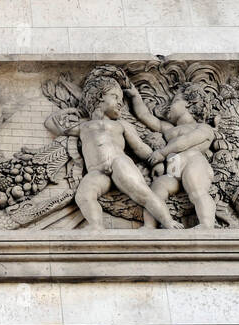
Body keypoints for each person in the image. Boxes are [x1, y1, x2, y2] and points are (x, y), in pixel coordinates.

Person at [45, 75, 182, 230]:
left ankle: (168, 221)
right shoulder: (84, 127)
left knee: (142, 192)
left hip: (119, 162)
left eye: (122, 100)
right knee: (84, 195)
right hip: (97, 171)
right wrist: (73, 110)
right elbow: (51, 124)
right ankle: (96, 227)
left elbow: (139, 147)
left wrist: (156, 160)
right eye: (116, 97)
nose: (120, 103)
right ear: (100, 97)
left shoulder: (122, 125)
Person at [126, 83, 217, 229]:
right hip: (174, 170)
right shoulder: (169, 129)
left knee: (197, 191)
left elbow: (185, 142)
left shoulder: (203, 128)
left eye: (174, 101)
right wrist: (136, 96)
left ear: (189, 103)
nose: (169, 107)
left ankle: (207, 225)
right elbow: (144, 116)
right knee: (157, 188)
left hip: (193, 162)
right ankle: (150, 225)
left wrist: (162, 153)